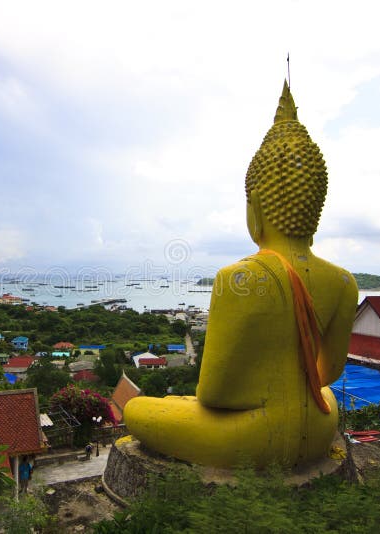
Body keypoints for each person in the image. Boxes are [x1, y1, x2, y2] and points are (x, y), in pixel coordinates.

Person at [123, 81, 358, 469]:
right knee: (328, 395)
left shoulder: (239, 279)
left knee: (138, 409)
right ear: (315, 208)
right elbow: (325, 375)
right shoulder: (345, 282)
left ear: (257, 208)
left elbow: (215, 394)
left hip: (252, 439)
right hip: (319, 426)